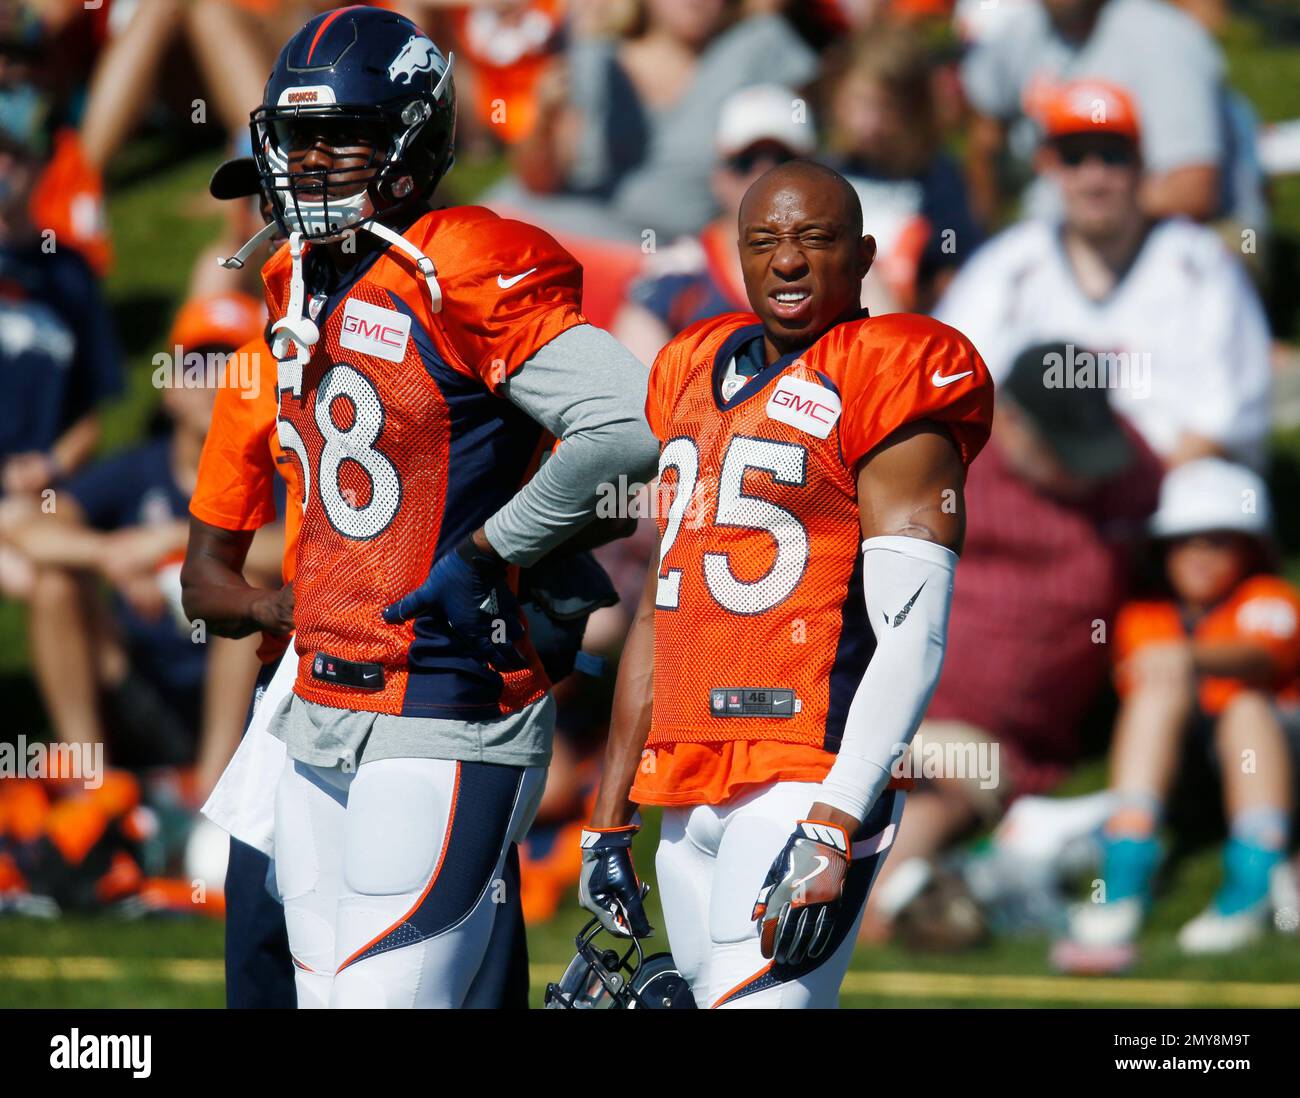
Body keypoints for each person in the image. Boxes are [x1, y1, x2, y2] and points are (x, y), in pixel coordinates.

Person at [180, 6, 659, 1010]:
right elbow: (211, 563)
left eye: (341, 138)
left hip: (443, 698)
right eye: (296, 140)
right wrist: (287, 611)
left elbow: (624, 428)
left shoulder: (467, 259)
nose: (310, 166)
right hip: (316, 709)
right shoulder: (291, 280)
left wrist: (490, 550)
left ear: (411, 141)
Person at [577, 160, 994, 1008]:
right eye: (765, 241)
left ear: (865, 252)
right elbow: (665, 612)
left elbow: (916, 635)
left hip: (808, 771)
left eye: (814, 238)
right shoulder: (691, 366)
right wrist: (608, 817)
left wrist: (837, 816)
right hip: (688, 785)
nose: (789, 261)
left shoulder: (888, 372)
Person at [860, 340, 1163, 942]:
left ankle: (900, 907)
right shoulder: (946, 458)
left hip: (996, 747)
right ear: (1014, 425)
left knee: (942, 794)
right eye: (1064, 453)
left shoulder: (1127, 470)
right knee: (888, 774)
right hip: (893, 700)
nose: (1083, 469)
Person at [936, 80, 1271, 470]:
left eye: (1112, 157)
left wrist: (1138, 488)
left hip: (1172, 476)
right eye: (1075, 158)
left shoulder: (1200, 265)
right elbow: (951, 387)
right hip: (1039, 474)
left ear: (1141, 162)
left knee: (1217, 502)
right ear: (1049, 164)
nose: (1094, 177)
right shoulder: (1008, 264)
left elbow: (1234, 413)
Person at [1058, 460, 1298, 970]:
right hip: (1182, 774)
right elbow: (1139, 678)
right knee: (1156, 693)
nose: (1199, 556)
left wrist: (1193, 656)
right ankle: (1126, 863)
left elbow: (1266, 656)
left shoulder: (1270, 598)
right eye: (1186, 542)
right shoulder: (1143, 614)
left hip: (1272, 759)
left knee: (1247, 702)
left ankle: (1254, 870)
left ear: (1250, 549)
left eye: (1218, 541)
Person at [7, 293, 260, 766]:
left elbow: (300, 551)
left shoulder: (281, 472)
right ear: (170, 388)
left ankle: (213, 789)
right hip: (140, 682)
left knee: (257, 587)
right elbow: (29, 527)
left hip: (248, 701)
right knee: (55, 582)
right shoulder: (139, 469)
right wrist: (108, 555)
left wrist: (166, 541)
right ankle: (90, 781)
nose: (214, 383)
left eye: (235, 367)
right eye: (198, 366)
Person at [495, 0, 819, 242]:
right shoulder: (597, 55)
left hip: (659, 249)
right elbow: (538, 182)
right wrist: (546, 120)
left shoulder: (753, 50)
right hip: (553, 220)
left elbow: (800, 160)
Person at [961, 0, 1226, 226]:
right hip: (1057, 242)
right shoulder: (1019, 34)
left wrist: (1087, 210)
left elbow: (1193, 192)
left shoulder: (1164, 38)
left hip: (1171, 236)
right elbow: (983, 136)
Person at [613, 82, 814, 367]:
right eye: (745, 162)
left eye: (783, 162)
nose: (764, 176)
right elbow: (629, 389)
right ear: (719, 176)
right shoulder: (673, 274)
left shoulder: (849, 274)